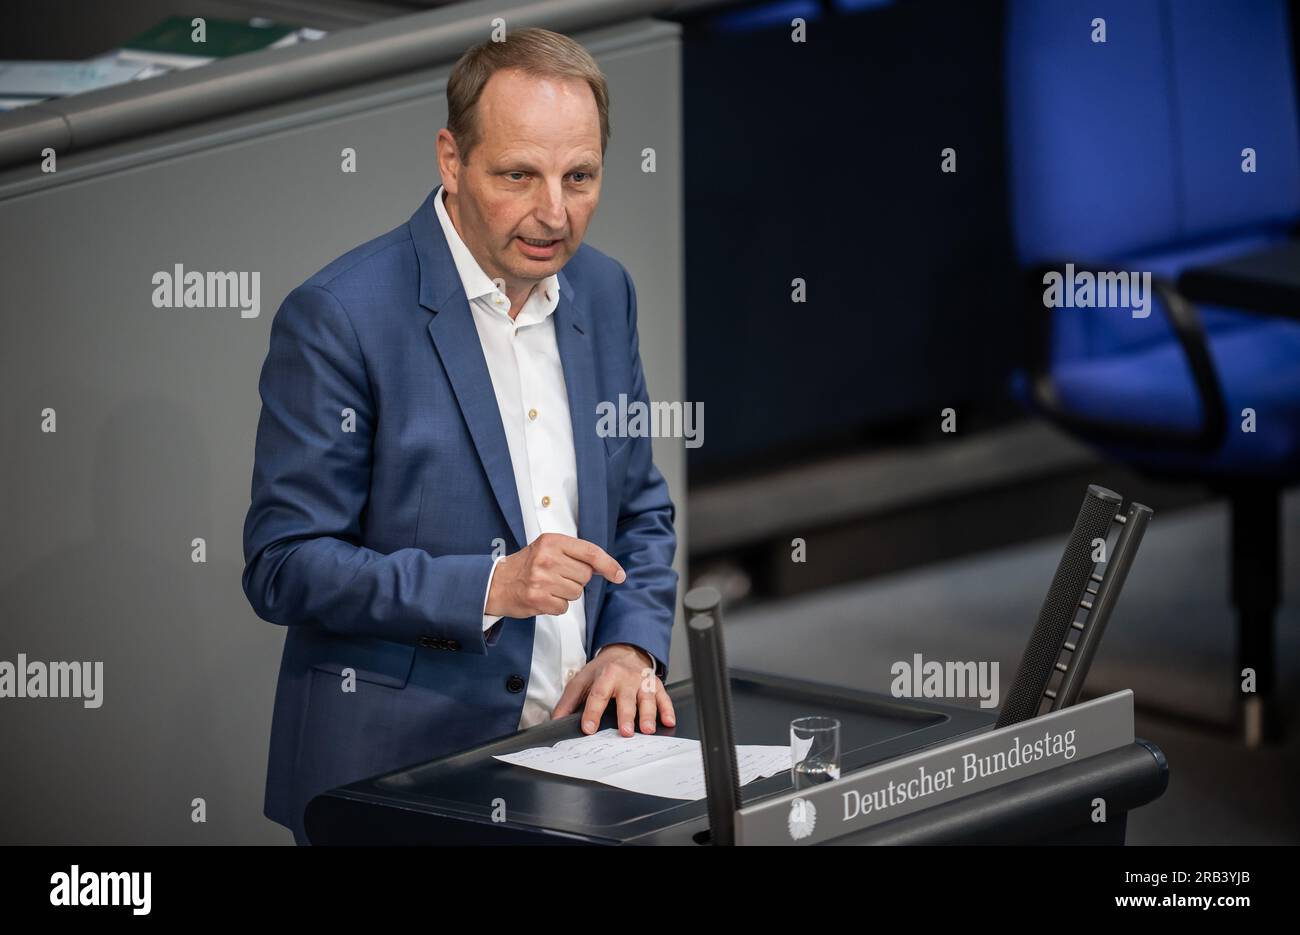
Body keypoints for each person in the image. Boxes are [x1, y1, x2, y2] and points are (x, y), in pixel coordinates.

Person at [241, 26, 679, 845]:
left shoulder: (602, 290)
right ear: (451, 159)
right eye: (519, 175)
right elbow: (284, 565)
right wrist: (489, 587)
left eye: (579, 177)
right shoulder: (341, 317)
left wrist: (630, 649)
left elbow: (642, 510)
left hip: (577, 760)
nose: (555, 212)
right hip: (396, 785)